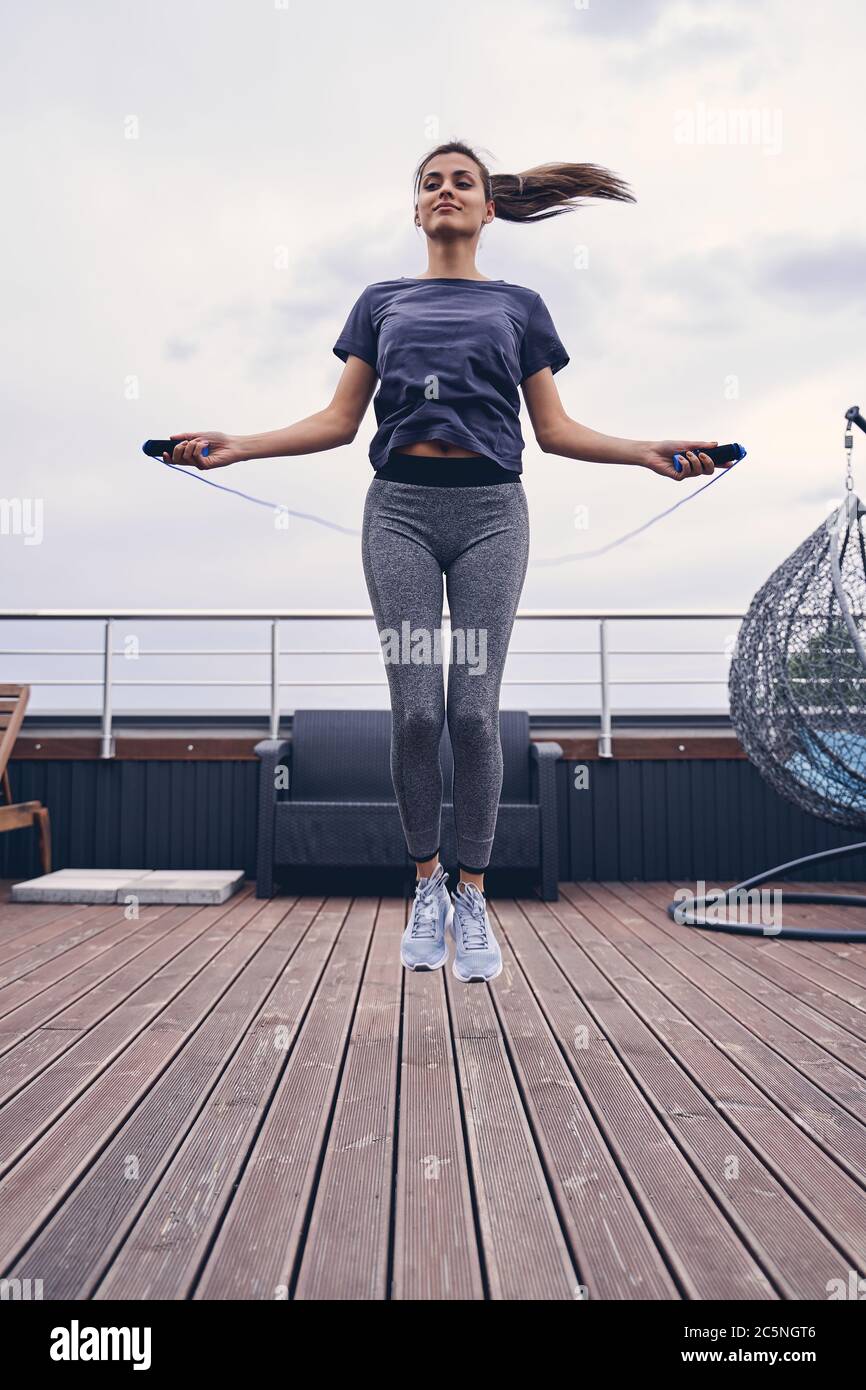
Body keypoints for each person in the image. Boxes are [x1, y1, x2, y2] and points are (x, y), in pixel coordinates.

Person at [163, 140, 721, 985]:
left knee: (473, 713)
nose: (447, 191)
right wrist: (234, 446)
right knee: (418, 714)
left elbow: (558, 432)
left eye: (463, 181)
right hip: (400, 514)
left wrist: (648, 450)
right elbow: (336, 422)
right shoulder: (380, 301)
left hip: (494, 514)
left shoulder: (522, 307)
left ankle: (472, 892)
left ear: (488, 208)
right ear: (416, 210)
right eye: (432, 183)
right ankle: (426, 883)